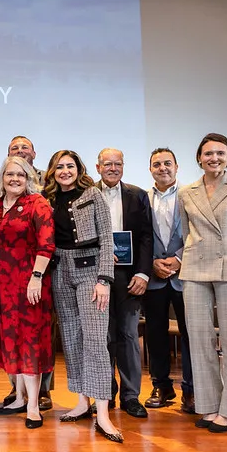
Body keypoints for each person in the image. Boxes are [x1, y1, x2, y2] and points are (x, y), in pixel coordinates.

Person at [179, 133, 227, 433]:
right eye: (208, 153)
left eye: (220, 153)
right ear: (199, 157)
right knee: (199, 341)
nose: (214, 158)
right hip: (195, 269)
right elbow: (187, 231)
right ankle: (210, 406)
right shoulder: (186, 192)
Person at [44, 150, 122, 442]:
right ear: (53, 171)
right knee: (72, 338)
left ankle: (103, 412)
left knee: (95, 340)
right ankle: (81, 402)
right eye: (60, 167)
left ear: (79, 169)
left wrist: (104, 279)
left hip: (91, 272)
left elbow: (106, 239)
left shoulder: (93, 194)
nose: (65, 171)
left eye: (70, 166)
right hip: (60, 270)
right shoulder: (48, 198)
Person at [0, 156, 53, 429]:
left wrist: (36, 277)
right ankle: (19, 397)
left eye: (20, 175)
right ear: (2, 177)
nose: (14, 179)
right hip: (0, 287)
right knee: (11, 342)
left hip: (29, 286)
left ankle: (34, 407)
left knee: (30, 343)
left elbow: (46, 245)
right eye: (10, 174)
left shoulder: (38, 204)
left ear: (29, 178)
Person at [95, 148, 153, 418]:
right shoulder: (88, 195)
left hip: (130, 277)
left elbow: (145, 237)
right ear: (98, 167)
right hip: (97, 277)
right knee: (103, 337)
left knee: (129, 335)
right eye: (108, 164)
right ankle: (106, 394)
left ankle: (132, 396)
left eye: (118, 164)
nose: (113, 168)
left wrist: (143, 274)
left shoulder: (138, 195)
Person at [144, 148, 194, 413]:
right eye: (156, 164)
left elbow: (198, 233)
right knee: (155, 335)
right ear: (150, 169)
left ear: (177, 166)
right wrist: (152, 262)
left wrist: (178, 259)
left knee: (190, 334)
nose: (162, 168)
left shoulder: (190, 195)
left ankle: (191, 390)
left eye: (167, 163)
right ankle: (161, 387)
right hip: (154, 277)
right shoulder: (142, 198)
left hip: (185, 276)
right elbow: (141, 234)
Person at [0, 136, 42, 200]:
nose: (20, 151)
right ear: (8, 156)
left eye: (24, 147)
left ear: (34, 154)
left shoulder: (47, 178)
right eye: (15, 148)